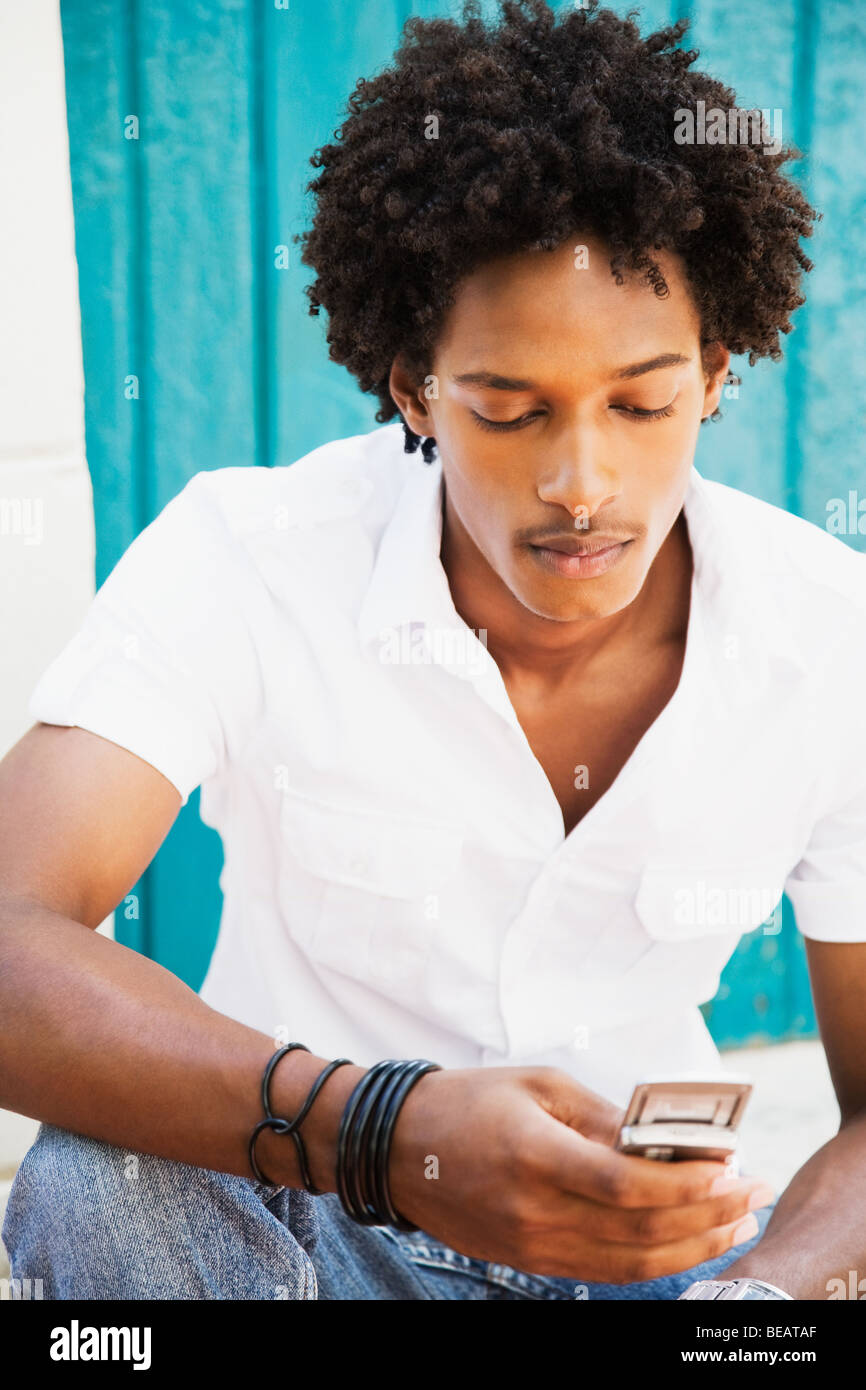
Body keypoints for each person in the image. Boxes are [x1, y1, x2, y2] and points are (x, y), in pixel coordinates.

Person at [2, 1, 863, 1302]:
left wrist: (748, 1301)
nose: (583, 481)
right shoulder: (249, 553)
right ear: (413, 386)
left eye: (641, 400)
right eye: (509, 410)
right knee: (94, 1178)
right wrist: (385, 1133)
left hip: (647, 1262)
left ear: (715, 369)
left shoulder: (827, 636)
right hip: (312, 1206)